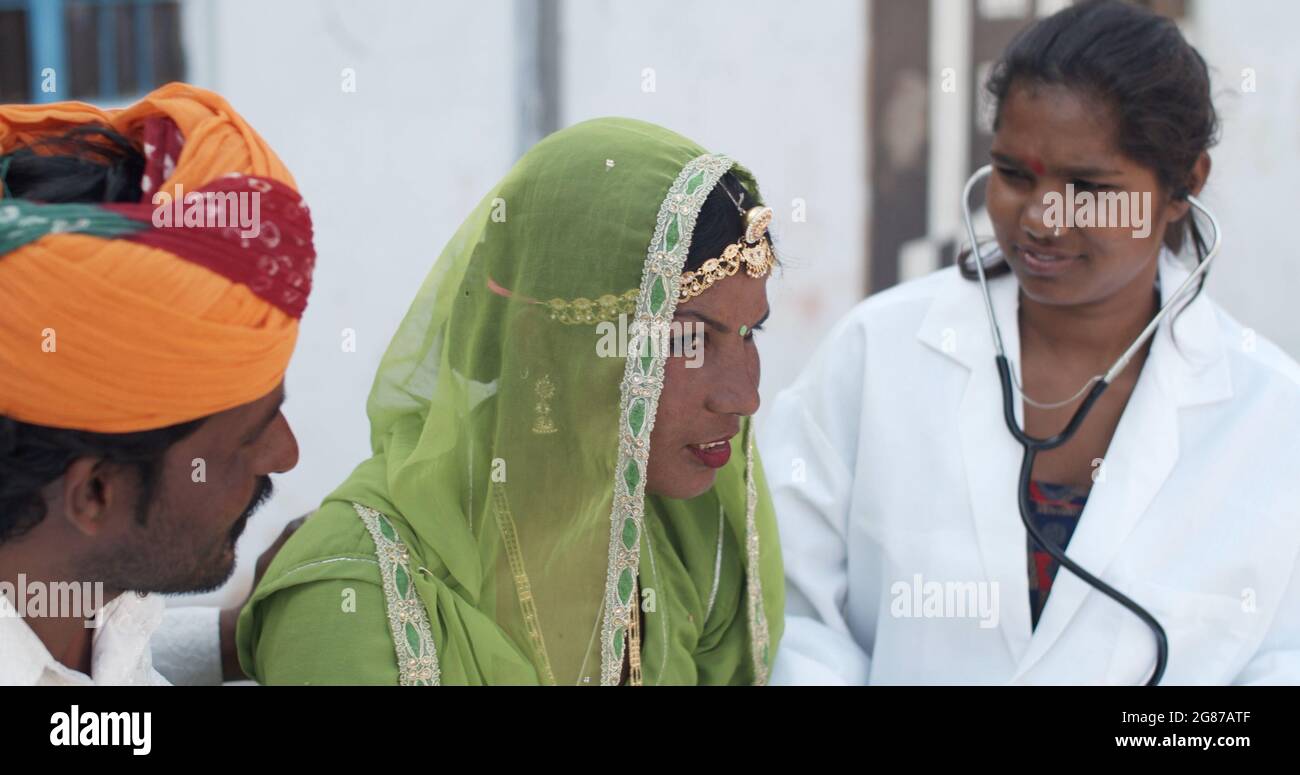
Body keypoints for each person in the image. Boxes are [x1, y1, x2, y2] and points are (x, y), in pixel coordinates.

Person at [765, 0, 1300, 684]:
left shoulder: (1271, 415)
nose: (1044, 217)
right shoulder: (878, 354)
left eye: (1087, 187)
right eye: (1015, 174)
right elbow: (794, 611)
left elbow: (1282, 660)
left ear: (1182, 186)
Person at [238, 117, 783, 685]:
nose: (745, 397)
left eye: (752, 332)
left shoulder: (690, 538)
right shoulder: (356, 598)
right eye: (687, 340)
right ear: (546, 339)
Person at [0, 84, 315, 685]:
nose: (287, 454)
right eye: (250, 436)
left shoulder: (75, 595)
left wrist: (238, 635)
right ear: (94, 492)